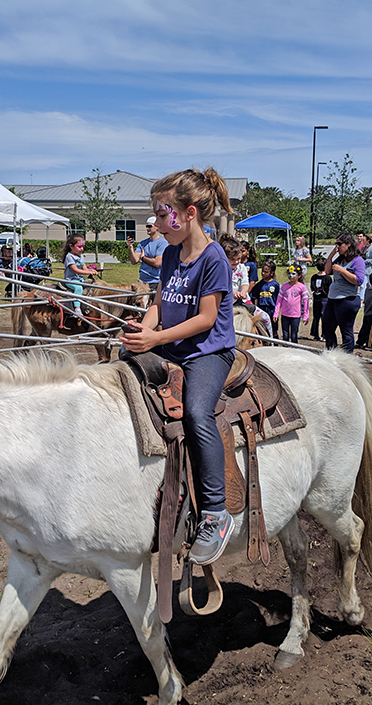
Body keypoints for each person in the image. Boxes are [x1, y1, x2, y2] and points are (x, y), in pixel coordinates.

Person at [119, 167, 236, 566]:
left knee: (197, 412)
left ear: (188, 213)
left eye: (162, 212)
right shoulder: (170, 253)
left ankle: (217, 513)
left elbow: (206, 319)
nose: (156, 221)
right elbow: (158, 304)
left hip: (207, 353)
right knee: (121, 368)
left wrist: (155, 339)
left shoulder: (214, 258)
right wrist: (143, 330)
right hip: (171, 345)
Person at [322, 233, 365, 353]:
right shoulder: (340, 259)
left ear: (348, 244)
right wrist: (331, 255)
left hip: (348, 300)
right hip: (333, 299)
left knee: (346, 331)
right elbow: (327, 271)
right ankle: (331, 354)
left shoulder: (358, 260)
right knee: (328, 328)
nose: (337, 246)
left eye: (339, 244)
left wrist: (342, 271)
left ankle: (347, 357)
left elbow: (358, 280)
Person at [126, 216, 168, 292]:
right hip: (141, 281)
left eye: (150, 226)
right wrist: (130, 247)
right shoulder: (142, 243)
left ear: (157, 227)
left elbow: (157, 263)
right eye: (146, 226)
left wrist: (143, 258)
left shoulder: (162, 244)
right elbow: (134, 261)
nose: (147, 228)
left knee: (152, 304)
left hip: (155, 282)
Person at [62, 233, 98, 319]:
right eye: (79, 246)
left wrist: (91, 271)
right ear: (71, 246)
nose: (82, 249)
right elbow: (75, 270)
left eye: (83, 246)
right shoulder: (69, 257)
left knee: (93, 285)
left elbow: (84, 268)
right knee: (78, 288)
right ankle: (77, 309)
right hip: (71, 280)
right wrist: (87, 272)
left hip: (80, 279)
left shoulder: (80, 256)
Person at [273, 264, 310, 344]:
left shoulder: (302, 287)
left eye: (293, 274)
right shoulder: (284, 286)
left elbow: (306, 301)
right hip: (285, 314)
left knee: (294, 335)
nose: (291, 276)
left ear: (299, 275)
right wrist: (276, 313)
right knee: (285, 335)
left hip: (296, 315)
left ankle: (294, 351)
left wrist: (306, 316)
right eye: (289, 273)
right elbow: (279, 300)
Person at [251, 260, 280, 338]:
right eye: (262, 271)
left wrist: (276, 313)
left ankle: (275, 343)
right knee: (262, 329)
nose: (263, 273)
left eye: (266, 272)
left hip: (271, 310)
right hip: (262, 310)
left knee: (274, 329)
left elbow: (278, 300)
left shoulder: (275, 285)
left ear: (272, 273)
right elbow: (255, 298)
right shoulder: (258, 285)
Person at [309, 256, 330, 340]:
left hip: (318, 299)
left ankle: (315, 334)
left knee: (316, 317)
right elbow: (329, 289)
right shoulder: (327, 278)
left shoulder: (314, 277)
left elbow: (312, 287)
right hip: (324, 299)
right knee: (323, 317)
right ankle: (324, 335)